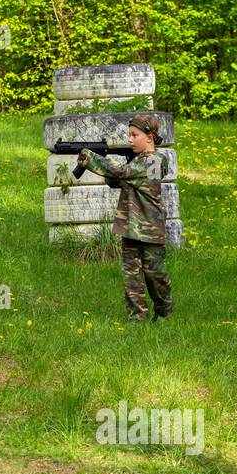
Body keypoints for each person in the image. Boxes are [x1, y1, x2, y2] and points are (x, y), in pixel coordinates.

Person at [77, 114, 173, 322]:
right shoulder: (137, 161)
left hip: (150, 227)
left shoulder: (157, 161)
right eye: (129, 135)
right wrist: (105, 165)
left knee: (155, 275)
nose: (129, 140)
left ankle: (164, 311)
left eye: (134, 135)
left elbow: (121, 173)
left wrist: (92, 158)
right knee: (132, 276)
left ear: (150, 136)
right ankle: (137, 318)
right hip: (129, 225)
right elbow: (116, 181)